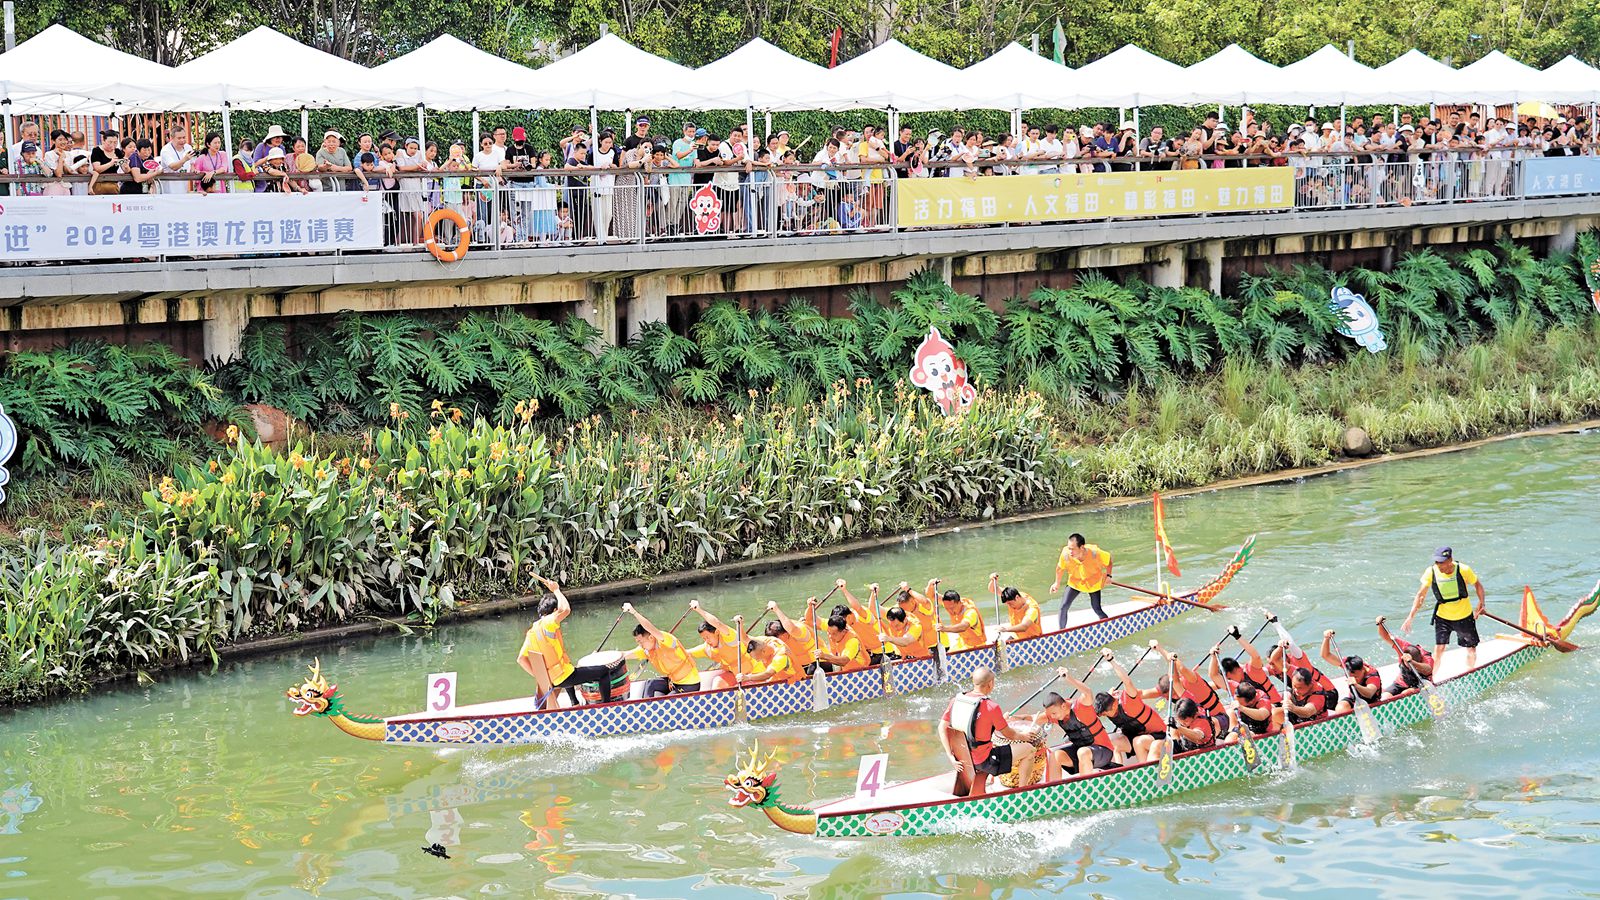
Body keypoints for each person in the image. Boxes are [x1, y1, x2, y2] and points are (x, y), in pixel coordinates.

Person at [516, 577, 617, 708]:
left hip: (551, 679)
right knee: (603, 672)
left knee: (570, 668)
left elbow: (521, 659)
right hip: (563, 677)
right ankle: (606, 708)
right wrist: (556, 590)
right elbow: (566, 610)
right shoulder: (549, 621)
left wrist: (541, 677)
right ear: (553, 611)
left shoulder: (531, 632)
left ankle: (574, 703)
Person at [940, 667, 1037, 797]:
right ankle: (1022, 793)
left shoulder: (956, 700)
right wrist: (1024, 736)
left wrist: (950, 756)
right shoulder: (991, 706)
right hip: (984, 761)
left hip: (962, 757)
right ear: (991, 684)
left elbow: (942, 727)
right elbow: (1010, 734)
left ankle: (982, 784)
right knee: (1029, 749)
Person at [1403, 546, 1487, 673]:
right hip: (1443, 617)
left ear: (1450, 560)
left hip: (1464, 616)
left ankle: (1469, 672)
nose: (1439, 565)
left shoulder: (1463, 569)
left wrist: (1482, 604)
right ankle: (1432, 678)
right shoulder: (1431, 572)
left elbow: (1478, 585)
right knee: (1439, 649)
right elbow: (1421, 595)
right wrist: (1410, 616)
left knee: (1471, 649)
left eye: (1441, 562)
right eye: (1436, 562)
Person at [1039, 668, 1119, 777]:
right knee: (1055, 756)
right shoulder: (1057, 715)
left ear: (1063, 706)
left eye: (1054, 713)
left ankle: (1085, 789)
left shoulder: (1081, 707)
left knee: (1083, 752)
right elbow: (1032, 718)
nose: (1052, 717)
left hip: (1103, 751)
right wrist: (1010, 718)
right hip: (1081, 752)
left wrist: (1068, 678)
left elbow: (1087, 692)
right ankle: (1055, 789)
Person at [1097, 649, 1168, 762]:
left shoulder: (1129, 701)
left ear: (1115, 704)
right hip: (1135, 737)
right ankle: (1118, 772)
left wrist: (1111, 661)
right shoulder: (1105, 706)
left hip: (1159, 737)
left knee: (1138, 742)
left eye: (1107, 713)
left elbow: (1127, 681)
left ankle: (1145, 772)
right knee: (1108, 741)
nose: (1105, 715)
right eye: (1103, 714)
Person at [620, 603, 701, 697]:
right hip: (673, 682)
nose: (640, 645)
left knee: (665, 702)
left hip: (689, 684)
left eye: (641, 642)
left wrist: (634, 612)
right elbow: (624, 655)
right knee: (651, 683)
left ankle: (653, 707)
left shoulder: (666, 640)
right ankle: (647, 707)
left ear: (651, 637)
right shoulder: (646, 649)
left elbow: (651, 629)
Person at [1051, 532, 1113, 626]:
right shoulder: (1066, 554)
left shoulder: (1095, 552)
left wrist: (1109, 576)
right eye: (1069, 548)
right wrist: (1057, 583)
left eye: (1073, 549)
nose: (1070, 551)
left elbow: (1109, 562)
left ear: (1082, 547)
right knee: (1063, 607)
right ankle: (1062, 633)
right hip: (1075, 582)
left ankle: (1108, 626)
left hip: (1093, 583)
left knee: (1096, 608)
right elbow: (1059, 569)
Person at [686, 601, 756, 682]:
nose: (707, 641)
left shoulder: (729, 636)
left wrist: (699, 610)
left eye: (708, 637)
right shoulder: (707, 648)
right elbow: (686, 652)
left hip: (752, 673)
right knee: (717, 683)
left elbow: (718, 624)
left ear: (716, 632)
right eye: (704, 639)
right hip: (734, 674)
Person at [1319, 629, 1383, 712]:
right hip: (1354, 699)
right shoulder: (1347, 665)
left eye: (1356, 676)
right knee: (1340, 708)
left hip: (1372, 702)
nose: (1353, 678)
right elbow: (1325, 655)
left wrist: (1356, 685)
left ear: (1363, 669)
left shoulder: (1372, 675)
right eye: (1351, 675)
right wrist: (1326, 638)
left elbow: (1370, 693)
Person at [1217, 627, 1283, 704]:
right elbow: (1213, 676)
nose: (1230, 681)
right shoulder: (1232, 683)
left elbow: (1255, 656)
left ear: (1236, 670)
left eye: (1229, 678)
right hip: (1253, 711)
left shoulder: (1251, 670)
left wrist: (1237, 636)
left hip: (1273, 704)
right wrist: (1214, 656)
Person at [1376, 615, 1435, 697]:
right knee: (1385, 696)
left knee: (1406, 693)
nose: (1409, 666)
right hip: (1401, 682)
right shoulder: (1403, 647)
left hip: (1421, 684)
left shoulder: (1427, 659)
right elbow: (1386, 636)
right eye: (1407, 663)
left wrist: (1412, 663)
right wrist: (1379, 624)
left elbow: (1428, 669)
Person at [766, 599, 825, 673]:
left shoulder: (800, 631)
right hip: (801, 665)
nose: (774, 642)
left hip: (819, 661)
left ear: (784, 635)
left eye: (775, 639)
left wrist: (776, 609)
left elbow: (791, 629)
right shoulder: (781, 635)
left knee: (811, 671)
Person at [835, 580, 886, 663]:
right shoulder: (843, 624)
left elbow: (857, 607)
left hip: (883, 652)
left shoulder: (862, 615)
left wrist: (844, 590)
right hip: (869, 654)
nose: (842, 625)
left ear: (848, 616)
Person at [739, 632, 803, 686]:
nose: (757, 660)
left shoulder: (780, 658)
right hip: (779, 679)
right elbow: (745, 638)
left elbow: (768, 674)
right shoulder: (766, 641)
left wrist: (747, 677)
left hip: (795, 684)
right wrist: (740, 623)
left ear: (763, 651)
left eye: (757, 658)